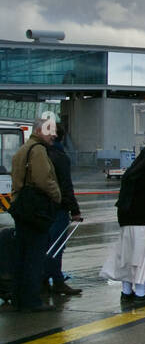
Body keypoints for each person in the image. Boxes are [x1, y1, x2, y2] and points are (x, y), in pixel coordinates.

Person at [100, 125, 145, 305]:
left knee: (127, 258)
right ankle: (141, 294)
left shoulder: (132, 172)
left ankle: (126, 292)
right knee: (143, 259)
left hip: (128, 222)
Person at [8, 122, 61, 313]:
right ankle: (31, 300)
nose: (53, 135)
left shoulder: (23, 149)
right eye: (50, 131)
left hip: (21, 207)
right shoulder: (38, 150)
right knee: (34, 255)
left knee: (21, 255)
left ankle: (19, 298)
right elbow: (43, 180)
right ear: (38, 131)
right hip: (35, 209)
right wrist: (57, 195)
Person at [44, 124, 84, 297]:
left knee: (43, 245)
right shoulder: (60, 156)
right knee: (57, 246)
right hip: (58, 208)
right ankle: (57, 281)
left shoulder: (38, 153)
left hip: (41, 208)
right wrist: (74, 210)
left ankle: (43, 281)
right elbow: (66, 186)